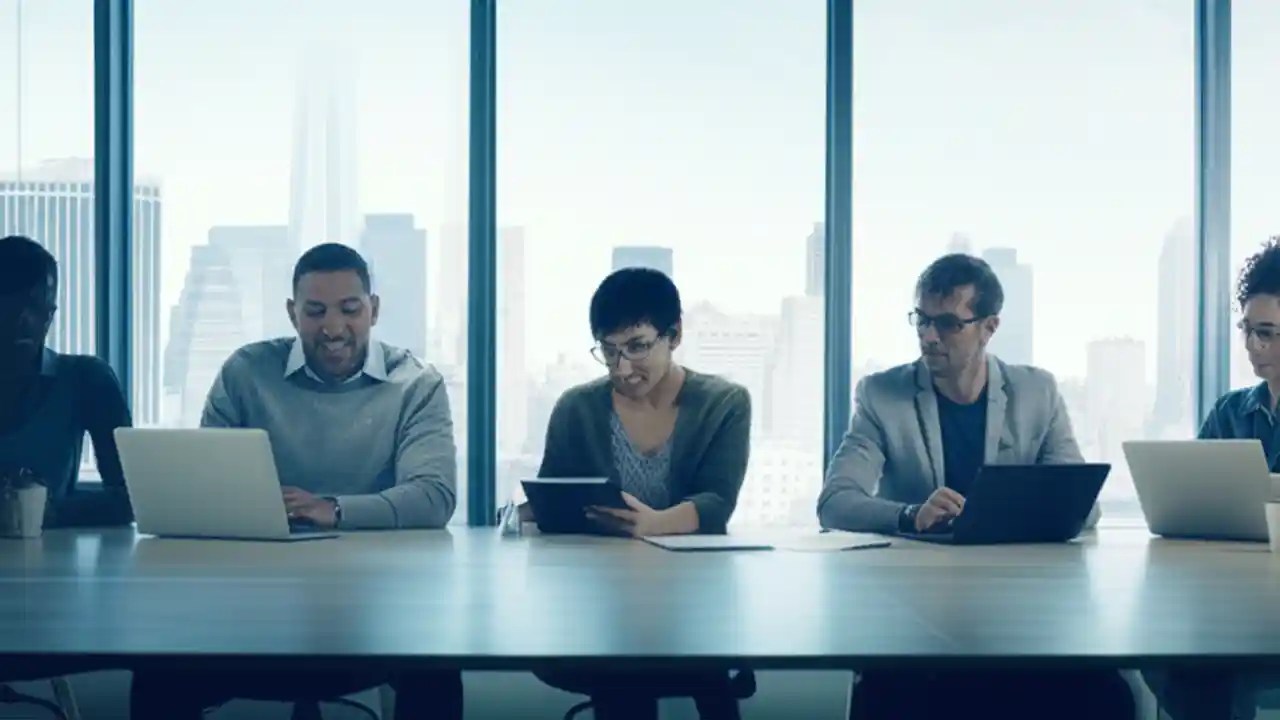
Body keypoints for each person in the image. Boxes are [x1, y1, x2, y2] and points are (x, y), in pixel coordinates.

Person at [130, 243, 462, 719]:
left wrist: (334, 508)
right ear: (292, 313)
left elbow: (434, 497)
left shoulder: (416, 384)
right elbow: (203, 488)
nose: (332, 328)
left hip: (376, 609)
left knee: (436, 669)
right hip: (251, 607)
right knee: (158, 670)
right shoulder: (246, 374)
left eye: (350, 310)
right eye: (315, 311)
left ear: (374, 310)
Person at [819, 254, 1132, 720]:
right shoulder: (882, 394)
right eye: (921, 320)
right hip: (914, 611)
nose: (928, 336)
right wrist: (910, 515)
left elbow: (1082, 505)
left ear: (989, 327)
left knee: (1108, 697)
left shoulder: (1037, 391)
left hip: (1021, 606)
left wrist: (1010, 510)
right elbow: (835, 503)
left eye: (947, 324)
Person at [531, 267, 753, 720]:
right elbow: (554, 495)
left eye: (637, 347)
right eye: (608, 352)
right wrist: (532, 512)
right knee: (619, 671)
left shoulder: (724, 402)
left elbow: (716, 502)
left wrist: (653, 524)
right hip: (602, 600)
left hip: (695, 600)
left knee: (668, 669)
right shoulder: (576, 408)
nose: (622, 368)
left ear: (673, 336)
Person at [1143, 238, 1280, 720]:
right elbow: (1190, 508)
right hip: (1229, 601)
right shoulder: (1230, 411)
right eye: (1247, 330)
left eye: (1267, 333)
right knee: (1164, 660)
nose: (1251, 346)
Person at [0, 234, 133, 682]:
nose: (22, 321)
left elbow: (133, 497)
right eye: (8, 303)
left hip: (47, 592)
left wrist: (44, 511)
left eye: (38, 308)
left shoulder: (85, 379)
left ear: (52, 313)